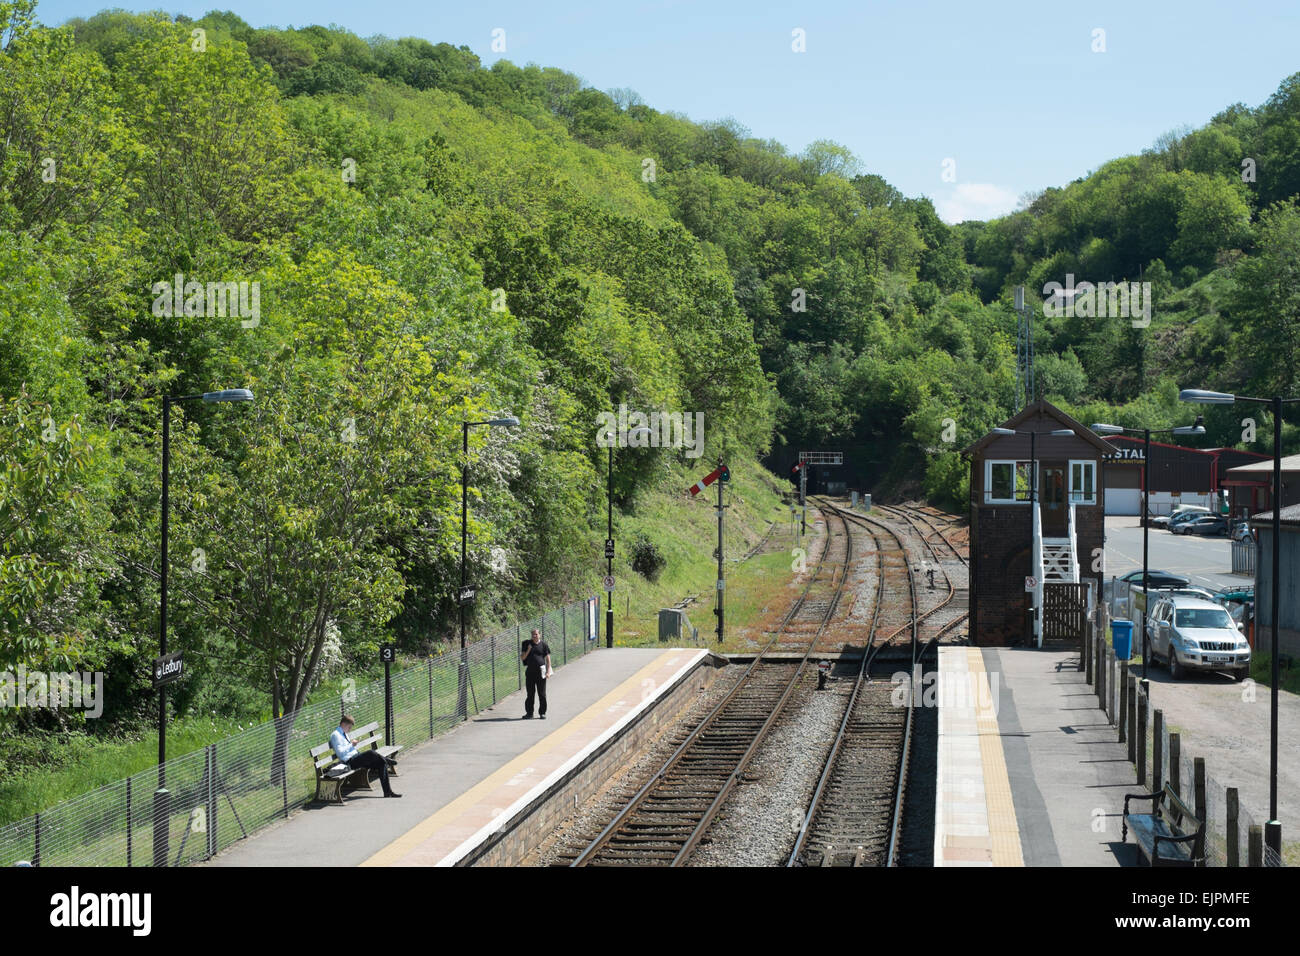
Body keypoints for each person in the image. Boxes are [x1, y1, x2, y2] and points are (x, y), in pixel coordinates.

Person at [329, 715, 401, 797]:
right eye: (349, 727)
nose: (349, 730)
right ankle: (387, 760)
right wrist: (351, 744)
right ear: (344, 724)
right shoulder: (336, 735)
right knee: (371, 752)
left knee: (381, 764)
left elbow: (347, 748)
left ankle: (388, 792)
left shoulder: (343, 733)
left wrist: (352, 745)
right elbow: (340, 753)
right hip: (349, 761)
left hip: (356, 756)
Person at [520, 628, 552, 719]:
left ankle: (542, 713)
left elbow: (548, 659)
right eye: (533, 634)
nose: (534, 636)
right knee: (530, 694)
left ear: (540, 635)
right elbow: (523, 658)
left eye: (536, 634)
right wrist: (528, 650)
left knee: (542, 694)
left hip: (541, 673)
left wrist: (548, 672)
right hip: (530, 673)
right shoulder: (526, 644)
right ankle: (529, 713)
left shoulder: (544, 645)